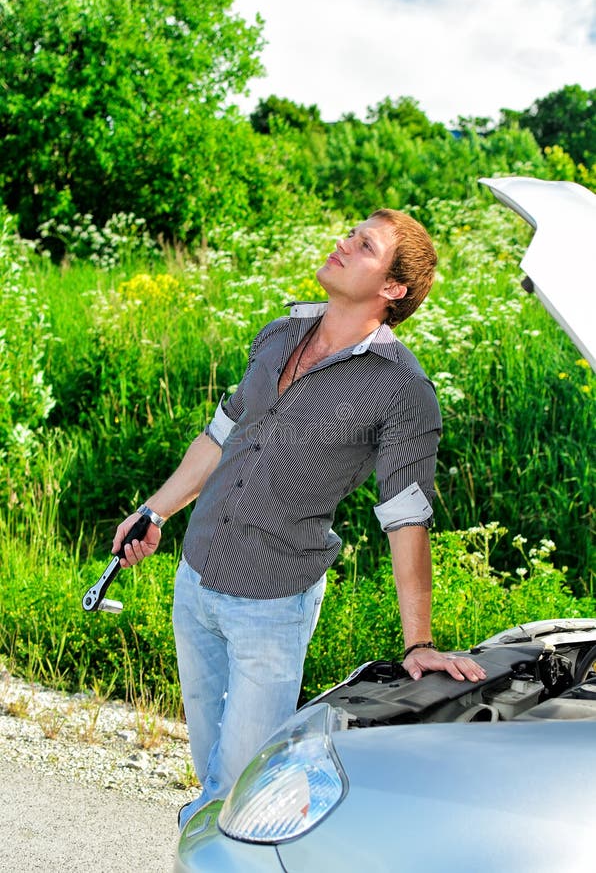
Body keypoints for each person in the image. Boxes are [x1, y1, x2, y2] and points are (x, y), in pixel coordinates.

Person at [112, 208, 486, 827]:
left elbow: (406, 514)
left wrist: (417, 640)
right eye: (350, 233)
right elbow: (220, 435)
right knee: (216, 778)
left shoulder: (401, 388)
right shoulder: (280, 335)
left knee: (231, 798)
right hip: (195, 580)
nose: (343, 244)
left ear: (393, 289)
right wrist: (154, 510)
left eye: (363, 245)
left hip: (270, 606)